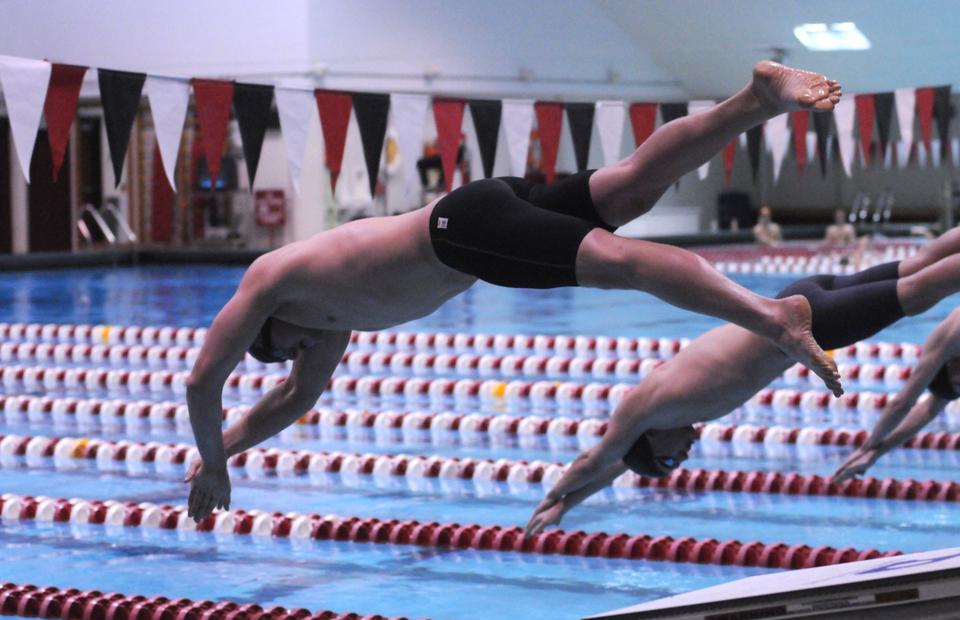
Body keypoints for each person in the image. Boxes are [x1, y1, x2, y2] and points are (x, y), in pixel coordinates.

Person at [184, 61, 844, 522]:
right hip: (482, 215)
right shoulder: (326, 324)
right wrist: (228, 452)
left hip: (462, 231)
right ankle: (755, 99)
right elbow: (292, 399)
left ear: (272, 331)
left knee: (621, 262)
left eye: (288, 347)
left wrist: (213, 465)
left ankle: (772, 316)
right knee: (633, 185)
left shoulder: (270, 280)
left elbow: (203, 380)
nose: (303, 352)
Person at [525, 227, 960, 538]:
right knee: (919, 267)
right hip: (798, 297)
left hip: (808, 325)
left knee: (922, 288)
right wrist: (569, 506)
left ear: (652, 442)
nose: (684, 456)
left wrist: (552, 500)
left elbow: (595, 458)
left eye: (671, 460)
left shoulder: (647, 408)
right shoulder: (663, 413)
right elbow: (615, 465)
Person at [831, 307, 960, 483]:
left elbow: (902, 403)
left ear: (950, 365)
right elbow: (929, 410)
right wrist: (875, 453)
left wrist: (866, 447)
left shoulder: (948, 338)